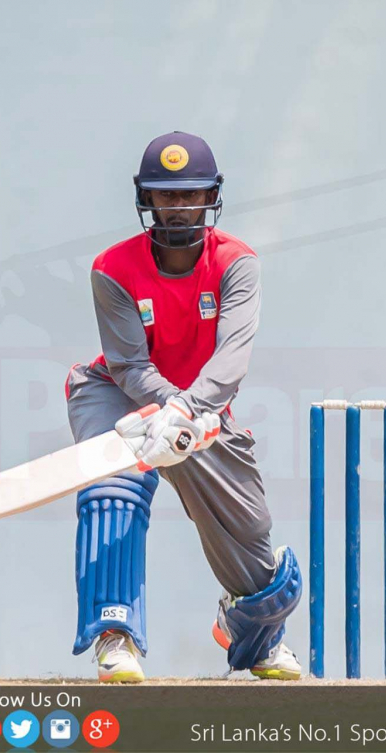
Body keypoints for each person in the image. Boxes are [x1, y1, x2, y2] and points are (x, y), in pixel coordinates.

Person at [64, 131, 302, 683]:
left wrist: (189, 413)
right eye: (166, 195)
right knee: (112, 487)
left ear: (211, 195)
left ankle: (254, 631)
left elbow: (232, 358)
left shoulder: (237, 263)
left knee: (248, 526)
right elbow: (126, 363)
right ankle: (114, 634)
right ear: (145, 199)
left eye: (191, 193)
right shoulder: (112, 268)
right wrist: (174, 408)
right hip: (115, 392)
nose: (179, 206)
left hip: (203, 403)